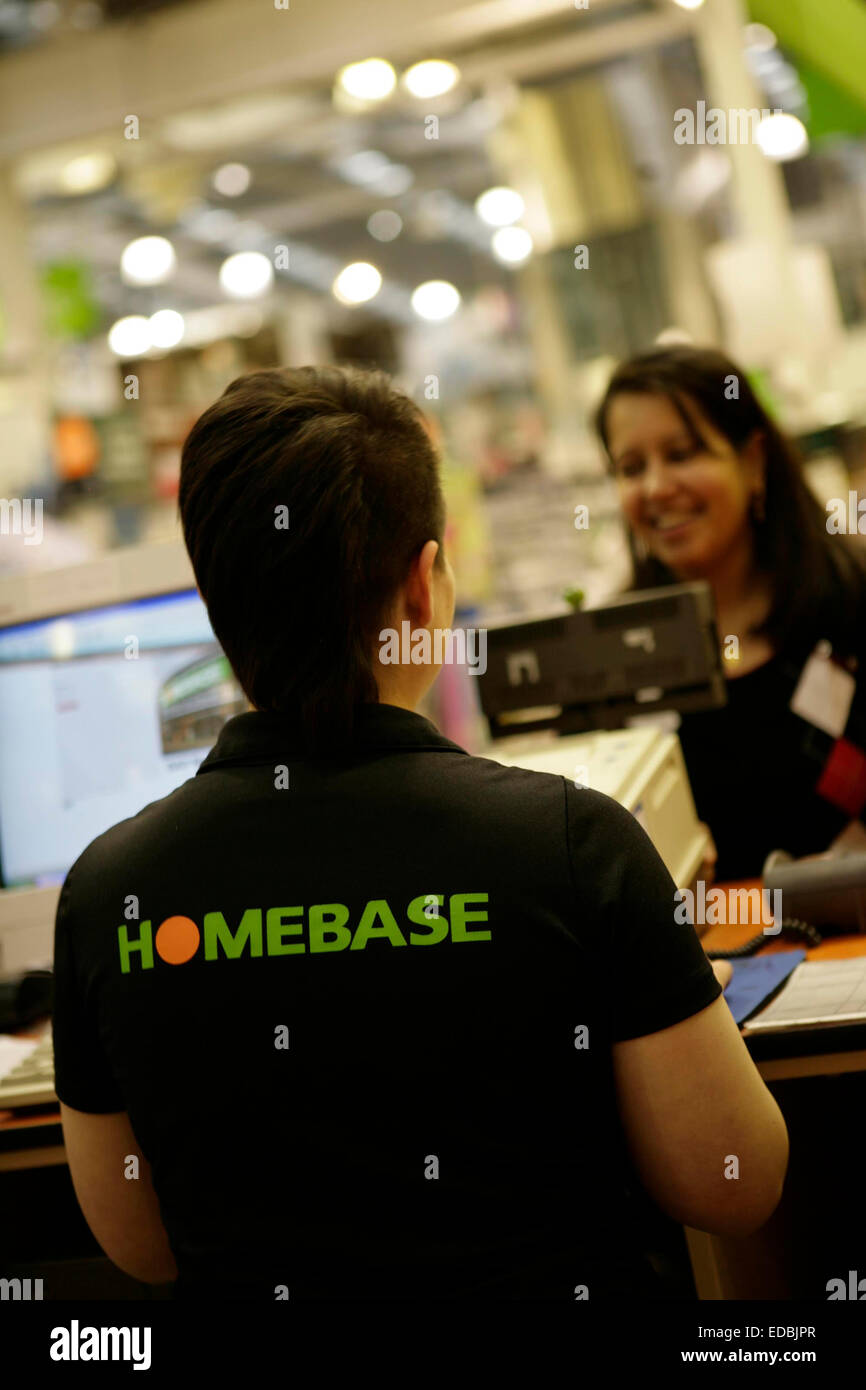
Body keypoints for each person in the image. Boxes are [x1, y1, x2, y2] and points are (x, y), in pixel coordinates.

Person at [52, 365, 786, 1301]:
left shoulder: (112, 894)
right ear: (421, 588)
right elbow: (735, 1181)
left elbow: (142, 1245)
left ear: (216, 604)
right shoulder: (572, 844)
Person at [595, 345, 866, 882]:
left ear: (752, 461)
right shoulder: (608, 655)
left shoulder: (851, 605)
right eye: (631, 467)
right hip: (701, 958)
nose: (655, 488)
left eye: (682, 454)